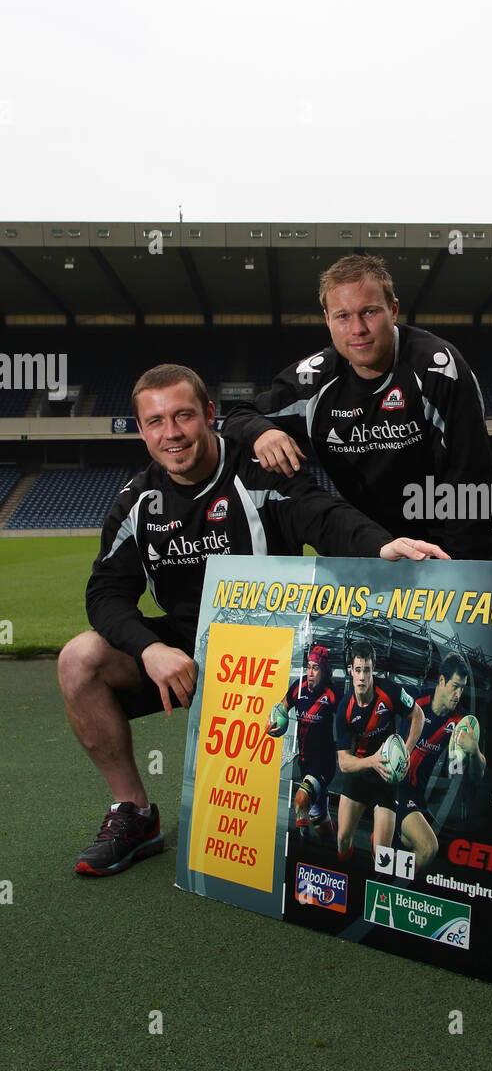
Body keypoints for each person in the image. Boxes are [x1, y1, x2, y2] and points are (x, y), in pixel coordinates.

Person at [58, 364, 448, 877]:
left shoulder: (257, 472)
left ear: (210, 415)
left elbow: (321, 514)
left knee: (275, 836)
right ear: (140, 429)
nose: (171, 433)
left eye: (183, 416)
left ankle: (310, 815)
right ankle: (134, 813)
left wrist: (380, 545)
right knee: (79, 659)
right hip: (187, 653)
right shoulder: (136, 503)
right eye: (155, 421)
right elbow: (105, 594)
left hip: (271, 650)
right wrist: (151, 649)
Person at [221, 253, 492, 560]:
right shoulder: (315, 380)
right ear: (327, 320)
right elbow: (237, 416)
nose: (357, 329)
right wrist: (262, 431)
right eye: (342, 316)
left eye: (369, 312)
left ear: (393, 310)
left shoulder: (439, 371)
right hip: (368, 546)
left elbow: (473, 483)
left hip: (438, 546)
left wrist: (465, 574)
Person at [334, 639, 424, 862]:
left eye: (367, 670)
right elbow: (344, 763)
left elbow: (418, 716)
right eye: (358, 670)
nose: (362, 677)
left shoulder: (391, 691)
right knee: (343, 839)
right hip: (361, 771)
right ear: (351, 672)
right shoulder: (345, 709)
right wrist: (372, 761)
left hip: (387, 778)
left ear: (373, 669)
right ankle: (346, 875)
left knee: (382, 854)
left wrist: (406, 751)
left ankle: (378, 843)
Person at [395, 653, 486, 872]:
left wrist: (474, 752)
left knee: (408, 845)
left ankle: (384, 850)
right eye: (455, 686)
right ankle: (391, 878)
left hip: (416, 799)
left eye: (462, 688)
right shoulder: (415, 700)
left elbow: (477, 775)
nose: (458, 694)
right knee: (428, 849)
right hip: (394, 790)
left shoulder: (460, 721)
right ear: (442, 681)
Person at [265, 643, 338, 843]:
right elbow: (281, 707)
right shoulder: (299, 687)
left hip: (323, 762)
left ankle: (299, 848)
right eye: (309, 667)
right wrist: (273, 723)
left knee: (300, 801)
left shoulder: (333, 694)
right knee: (322, 826)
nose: (311, 672)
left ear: (324, 671)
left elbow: (347, 721)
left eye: (316, 668)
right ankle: (338, 847)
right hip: (304, 761)